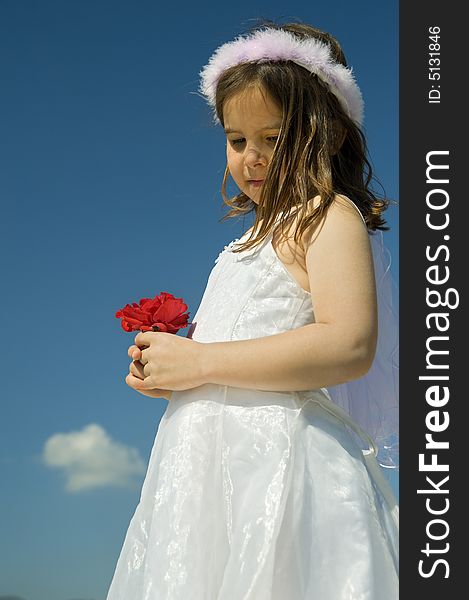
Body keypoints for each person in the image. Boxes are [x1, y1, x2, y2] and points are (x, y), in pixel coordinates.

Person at [106, 21, 399, 600]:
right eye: (238, 141)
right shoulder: (242, 245)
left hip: (280, 469)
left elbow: (348, 345)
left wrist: (200, 362)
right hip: (200, 479)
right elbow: (242, 353)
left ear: (330, 134)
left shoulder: (326, 215)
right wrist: (173, 373)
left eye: (275, 136)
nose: (254, 157)